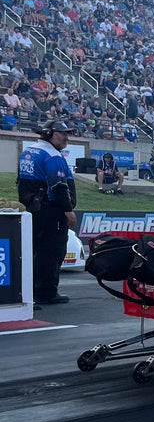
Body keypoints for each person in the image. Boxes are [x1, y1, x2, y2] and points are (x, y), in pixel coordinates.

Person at [16, 118, 78, 306]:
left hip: (31, 209)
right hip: (51, 210)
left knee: (32, 251)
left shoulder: (28, 151)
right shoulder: (53, 156)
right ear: (49, 134)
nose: (66, 137)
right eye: (63, 133)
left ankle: (30, 290)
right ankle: (46, 292)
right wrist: (68, 210)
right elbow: (59, 186)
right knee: (53, 251)